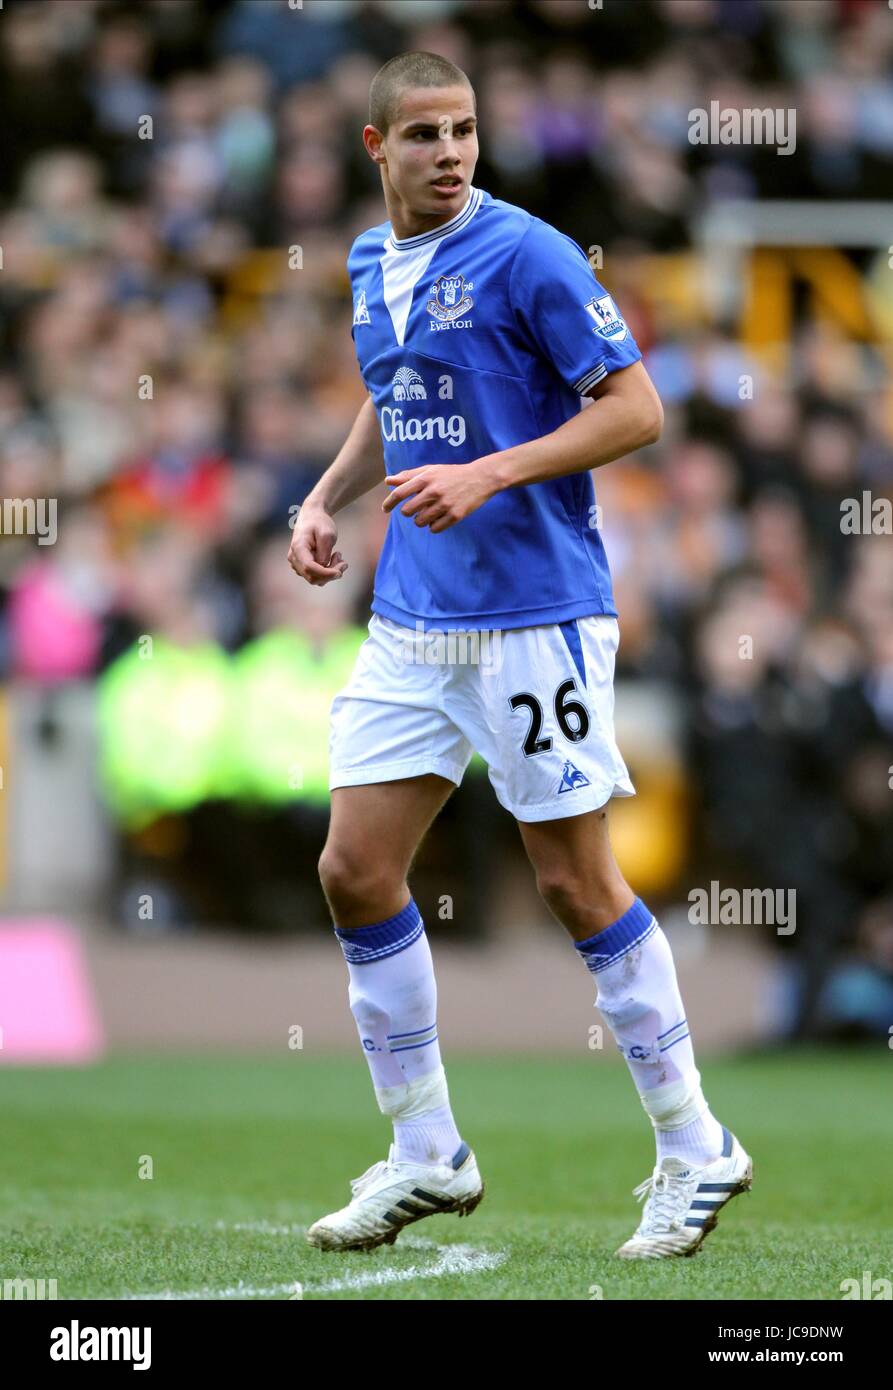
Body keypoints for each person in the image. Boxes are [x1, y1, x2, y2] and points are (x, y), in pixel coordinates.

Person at [288, 51, 752, 1260]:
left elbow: (635, 407)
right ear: (375, 148)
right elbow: (392, 387)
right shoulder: (365, 259)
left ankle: (695, 1145)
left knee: (572, 882)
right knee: (351, 868)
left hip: (534, 612)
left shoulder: (530, 253)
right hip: (412, 618)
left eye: (465, 129)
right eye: (425, 133)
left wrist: (488, 471)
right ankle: (426, 1151)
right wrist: (330, 493)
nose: (449, 152)